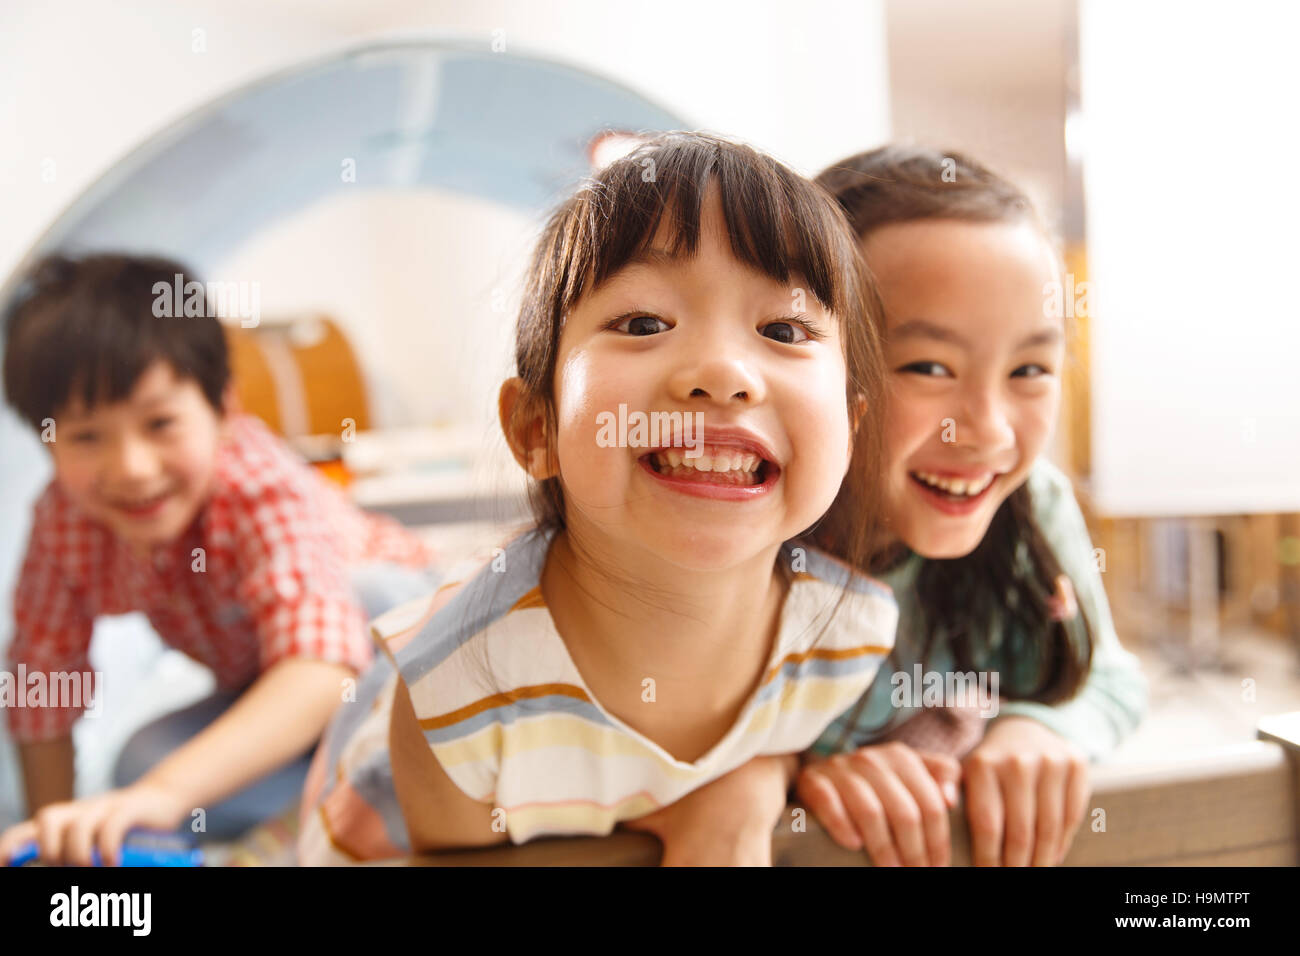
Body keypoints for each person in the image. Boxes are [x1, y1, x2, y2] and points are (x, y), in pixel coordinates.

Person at [297, 131, 900, 866]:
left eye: (783, 328)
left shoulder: (849, 640)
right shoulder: (458, 683)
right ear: (536, 428)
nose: (721, 371)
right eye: (644, 324)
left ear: (851, 425)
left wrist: (761, 774)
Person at [0, 253, 439, 864]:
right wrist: (54, 832)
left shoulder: (258, 484)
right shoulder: (64, 518)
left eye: (159, 423)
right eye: (85, 437)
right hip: (276, 692)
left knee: (375, 598)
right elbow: (41, 686)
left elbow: (320, 668)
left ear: (223, 410)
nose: (131, 468)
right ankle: (330, 804)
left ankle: (387, 793)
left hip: (408, 669)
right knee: (139, 766)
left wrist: (166, 793)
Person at [790, 146, 1148, 866]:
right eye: (928, 367)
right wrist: (791, 780)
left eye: (1030, 370)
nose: (986, 430)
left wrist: (1041, 728)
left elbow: (1109, 676)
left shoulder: (1032, 504)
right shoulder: (748, 526)